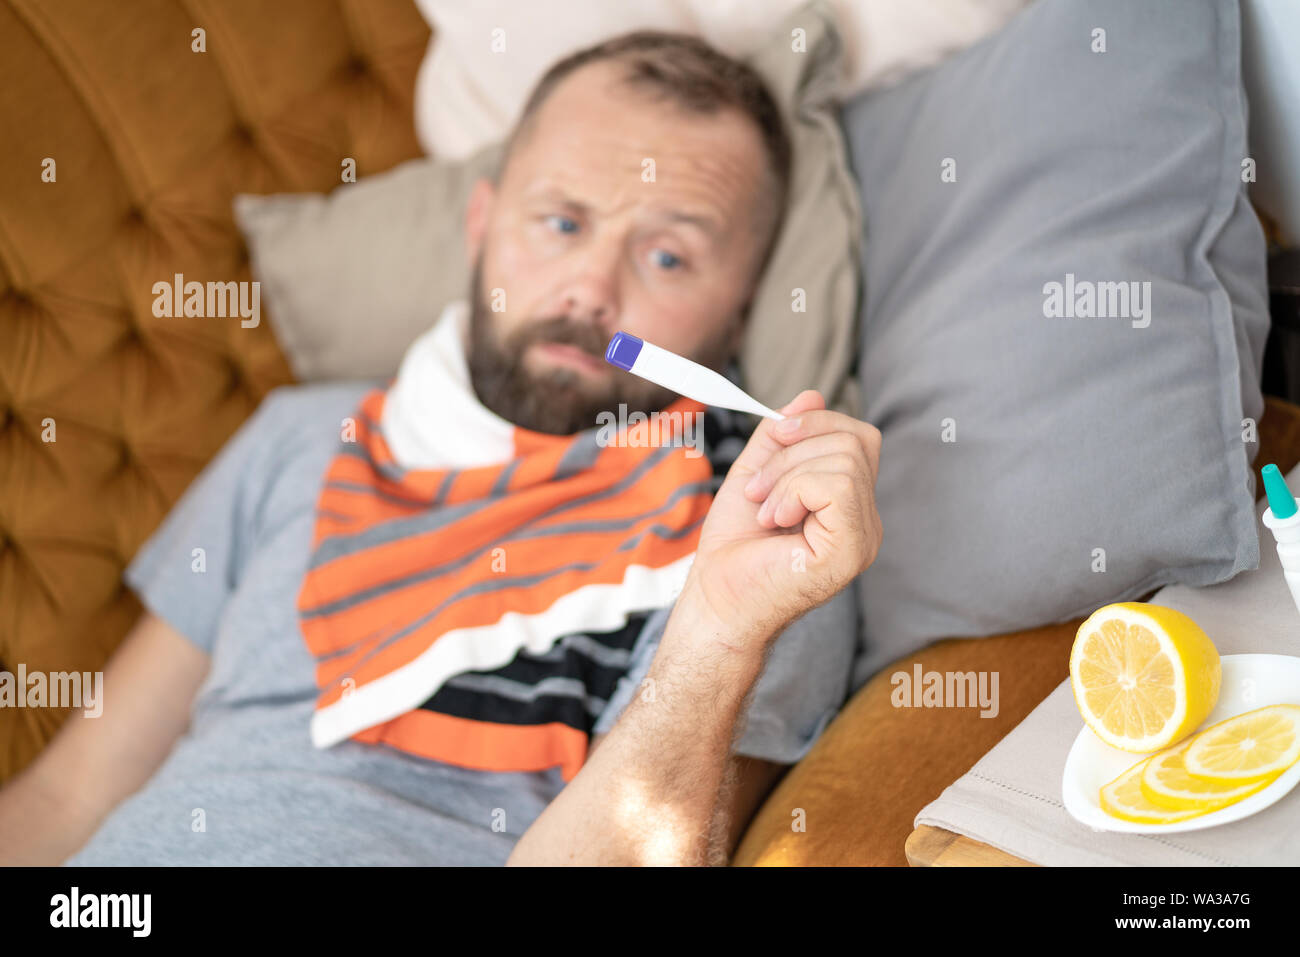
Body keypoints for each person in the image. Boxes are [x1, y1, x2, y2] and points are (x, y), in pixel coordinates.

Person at [0, 31, 881, 867]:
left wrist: (718, 634)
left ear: (742, 308)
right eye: (563, 224)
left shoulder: (768, 532)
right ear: (482, 223)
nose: (590, 291)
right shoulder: (302, 435)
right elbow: (71, 797)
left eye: (668, 256)